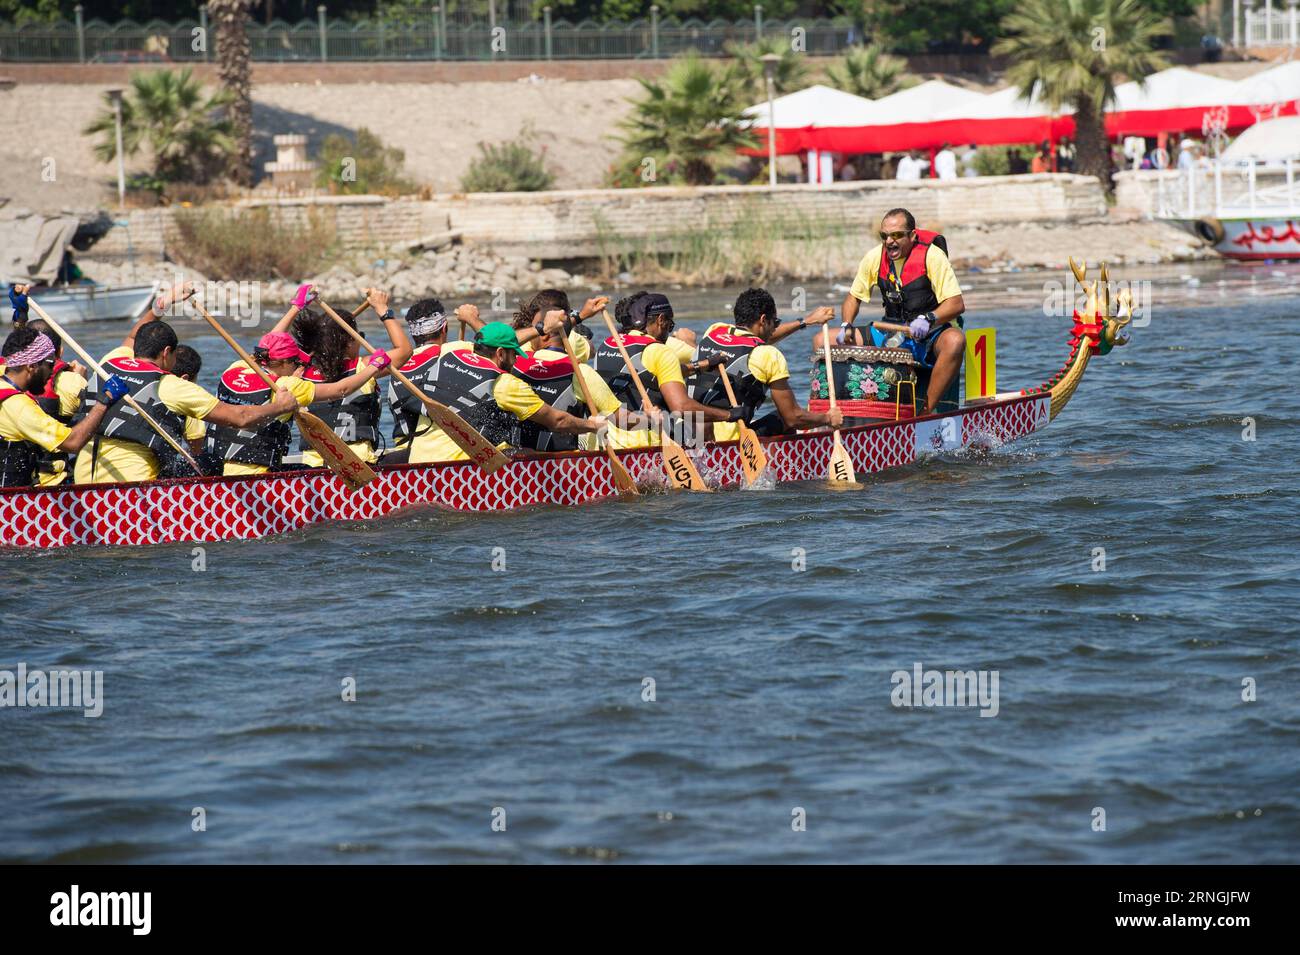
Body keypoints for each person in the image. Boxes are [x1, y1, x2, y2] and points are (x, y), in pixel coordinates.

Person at [72, 315, 298, 484]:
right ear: (166, 352)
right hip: (133, 491)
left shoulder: (108, 363)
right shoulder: (172, 386)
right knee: (210, 463)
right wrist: (279, 406)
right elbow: (240, 417)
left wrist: (160, 306)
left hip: (82, 482)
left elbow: (131, 337)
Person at [824, 207, 966, 415]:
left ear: (912, 235)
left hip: (930, 334)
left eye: (897, 235)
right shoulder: (874, 256)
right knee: (823, 340)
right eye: (885, 236)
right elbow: (853, 297)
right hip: (891, 333)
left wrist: (929, 318)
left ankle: (925, 414)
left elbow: (956, 304)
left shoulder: (932, 256)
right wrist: (846, 324)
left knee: (956, 341)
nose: (890, 241)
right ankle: (838, 415)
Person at [406, 321, 606, 464]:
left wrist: (541, 328)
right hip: (462, 469)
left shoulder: (451, 355)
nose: (516, 361)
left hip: (418, 462)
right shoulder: (504, 384)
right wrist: (591, 425)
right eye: (513, 355)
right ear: (500, 353)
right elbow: (558, 421)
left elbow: (508, 340)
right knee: (527, 452)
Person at [208, 332, 390, 477]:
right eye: (296, 362)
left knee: (302, 466)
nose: (298, 367)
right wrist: (374, 366)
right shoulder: (288, 386)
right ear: (285, 362)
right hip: (258, 475)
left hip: (217, 467)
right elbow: (340, 390)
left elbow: (266, 346)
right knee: (319, 475)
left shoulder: (235, 368)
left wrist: (295, 308)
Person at [688, 289, 842, 441]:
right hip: (732, 443)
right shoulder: (768, 355)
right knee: (783, 417)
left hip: (692, 434)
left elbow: (760, 336)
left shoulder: (715, 330)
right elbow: (793, 418)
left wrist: (805, 322)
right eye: (775, 322)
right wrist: (828, 418)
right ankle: (787, 465)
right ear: (763, 320)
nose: (775, 328)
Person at [591, 292, 741, 448]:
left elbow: (649, 376)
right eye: (670, 325)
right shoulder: (660, 351)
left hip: (608, 440)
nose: (669, 331)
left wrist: (705, 364)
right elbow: (681, 406)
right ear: (661, 320)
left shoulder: (606, 344)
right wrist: (729, 415)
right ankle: (711, 465)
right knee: (703, 421)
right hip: (648, 441)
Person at [290, 287, 411, 469]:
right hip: (360, 465)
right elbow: (404, 350)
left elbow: (267, 349)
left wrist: (295, 308)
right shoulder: (365, 367)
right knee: (416, 452)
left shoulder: (301, 374)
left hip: (313, 467)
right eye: (359, 337)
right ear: (349, 341)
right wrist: (383, 310)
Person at [0, 329, 127, 488]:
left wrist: (20, 322)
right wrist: (104, 401)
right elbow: (73, 443)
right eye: (50, 364)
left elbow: (14, 352)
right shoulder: (19, 407)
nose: (53, 371)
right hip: (11, 504)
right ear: (31, 366)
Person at [21, 317, 87, 486]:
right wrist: (80, 379)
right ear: (60, 352)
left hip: (13, 481)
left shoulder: (7, 378)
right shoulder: (72, 383)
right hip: (52, 485)